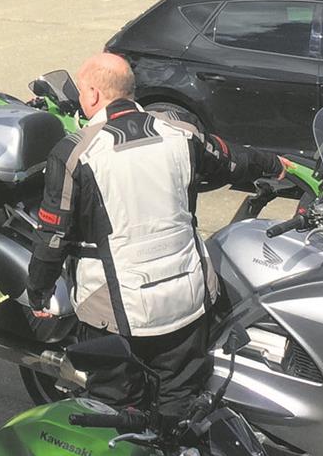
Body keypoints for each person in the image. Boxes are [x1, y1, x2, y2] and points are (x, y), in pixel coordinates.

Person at [26, 53, 285, 412]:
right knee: (180, 403)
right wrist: (275, 165)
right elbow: (231, 160)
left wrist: (38, 292)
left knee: (117, 408)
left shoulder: (75, 153)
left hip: (113, 312)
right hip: (187, 299)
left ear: (92, 94)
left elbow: (53, 236)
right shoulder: (180, 132)